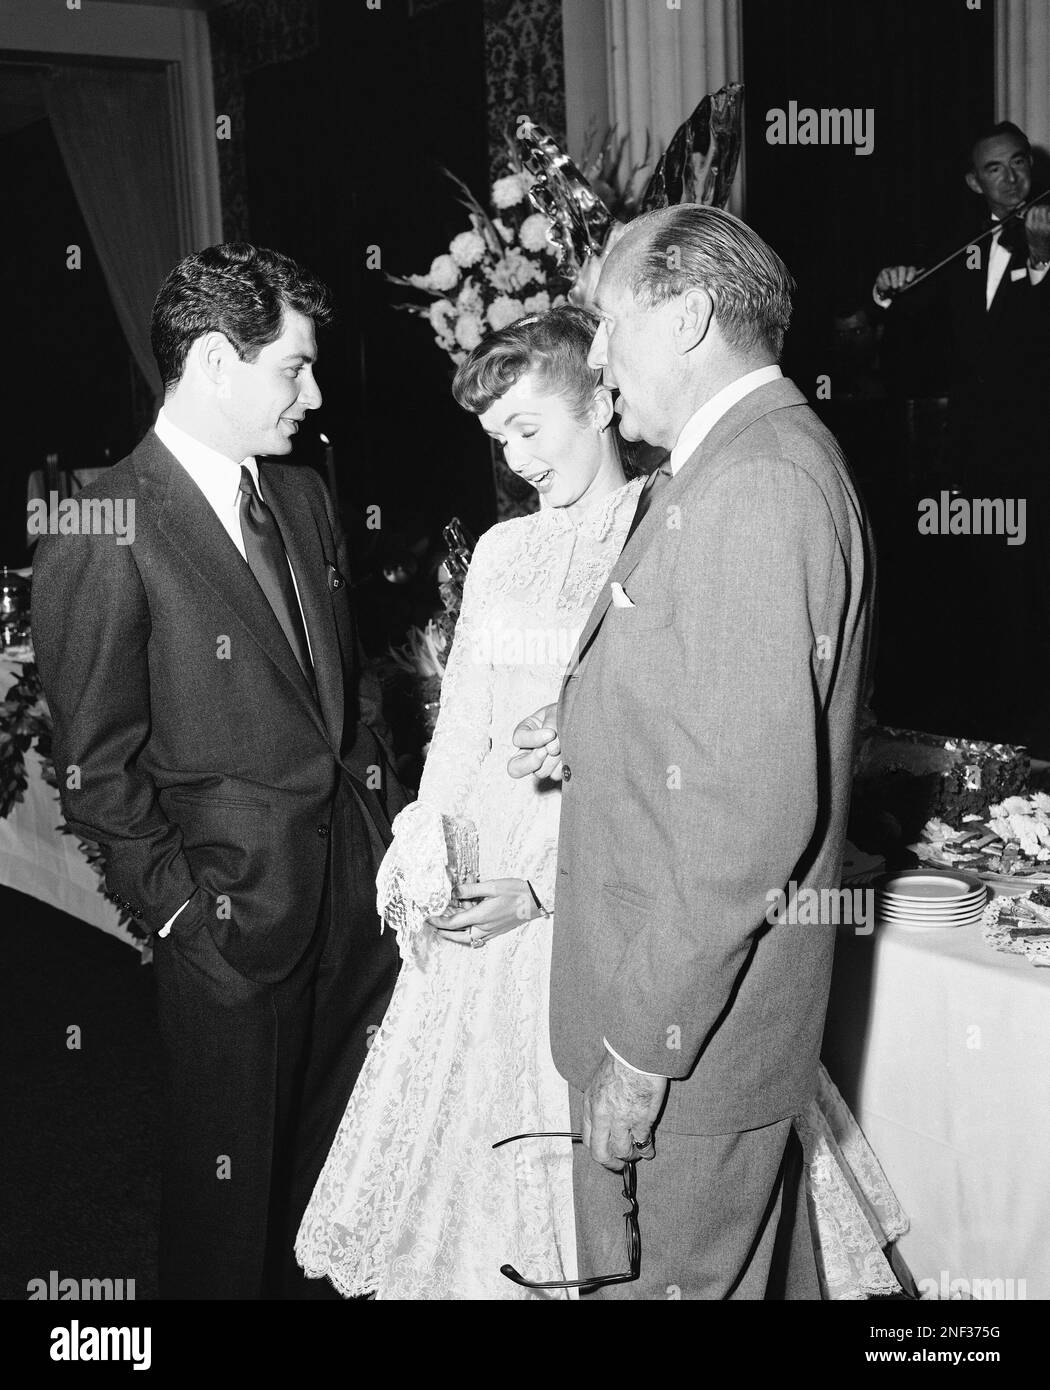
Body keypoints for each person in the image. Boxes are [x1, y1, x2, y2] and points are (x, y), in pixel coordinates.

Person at [511, 205, 877, 1299]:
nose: (599, 354)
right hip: (697, 1026)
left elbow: (744, 818)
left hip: (684, 1037)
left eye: (610, 323)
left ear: (687, 316)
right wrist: (590, 714)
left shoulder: (754, 484)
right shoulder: (733, 461)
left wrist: (639, 1048)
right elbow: (709, 705)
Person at [31, 242, 406, 1299]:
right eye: (294, 366)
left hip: (352, 909)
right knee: (224, 1218)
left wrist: (386, 835)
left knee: (333, 1192)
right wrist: (187, 916)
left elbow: (349, 688)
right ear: (210, 362)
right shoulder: (102, 525)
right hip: (230, 931)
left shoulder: (302, 497)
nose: (316, 393)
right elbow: (97, 770)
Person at [296, 306, 644, 1298]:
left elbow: (672, 756)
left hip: (590, 882)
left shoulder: (666, 529)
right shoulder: (501, 550)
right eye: (500, 439)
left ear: (606, 399)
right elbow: (465, 728)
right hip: (486, 865)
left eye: (531, 428)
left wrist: (541, 885)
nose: (516, 457)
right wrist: (427, 838)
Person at [872, 121, 1050, 750]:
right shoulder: (965, 247)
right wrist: (890, 293)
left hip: (1039, 459)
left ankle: (1035, 731)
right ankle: (989, 726)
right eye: (997, 169)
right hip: (973, 457)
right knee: (983, 594)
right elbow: (920, 338)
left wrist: (1040, 261)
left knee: (1034, 593)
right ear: (976, 182)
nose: (1013, 178)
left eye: (1021, 164)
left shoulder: (1044, 240)